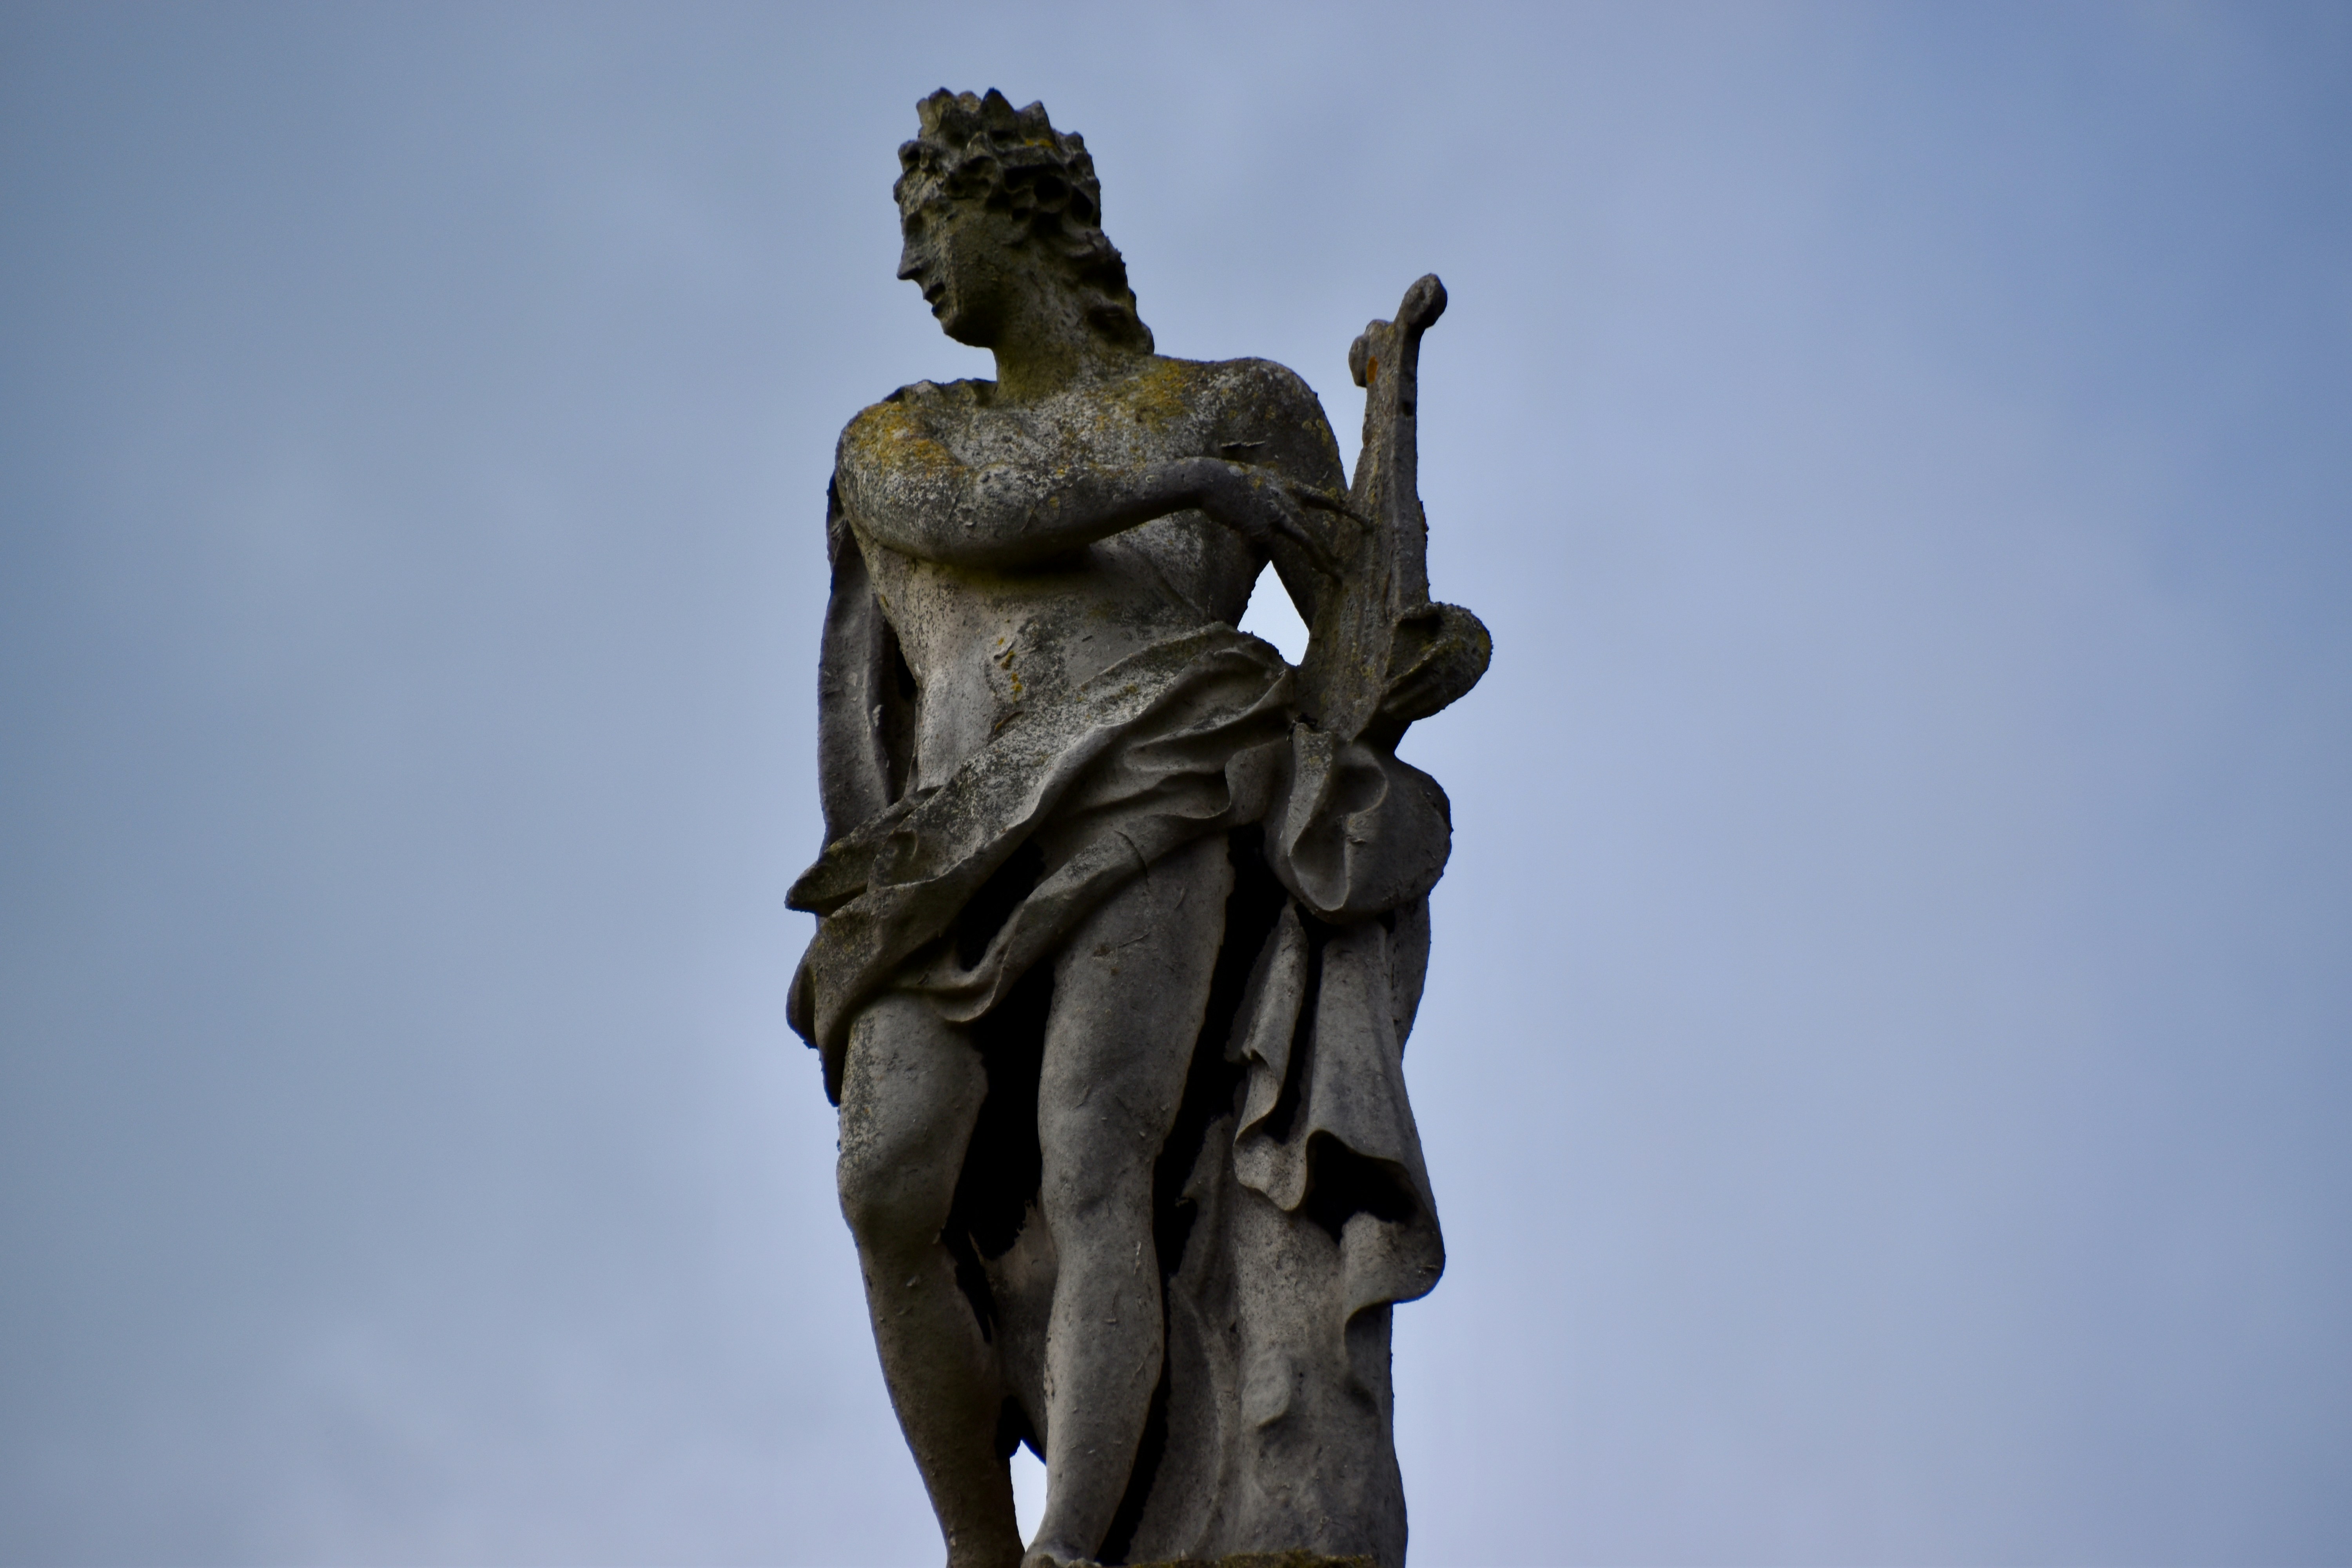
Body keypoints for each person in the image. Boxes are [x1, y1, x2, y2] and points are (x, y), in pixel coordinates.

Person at [790, 89, 1353, 1568]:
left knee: (1097, 1154)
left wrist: (1407, 654)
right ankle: (978, 1549)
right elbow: (969, 513)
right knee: (887, 1180)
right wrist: (1179, 487)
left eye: (928, 225)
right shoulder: (900, 434)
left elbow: (1358, 646)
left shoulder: (1248, 404)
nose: (913, 269)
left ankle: (1073, 1550)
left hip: (1158, 779)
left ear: (1016, 209)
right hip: (945, 854)